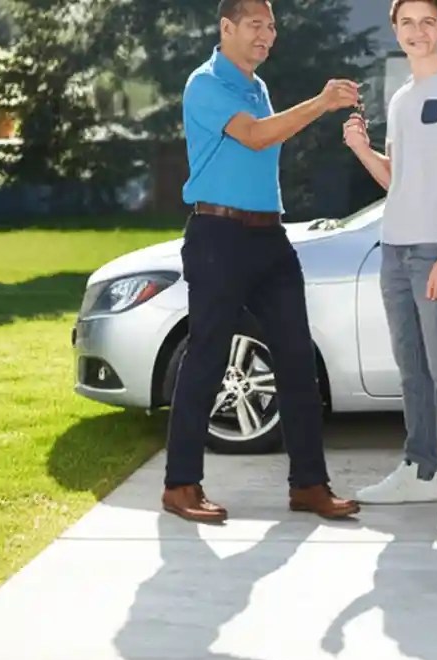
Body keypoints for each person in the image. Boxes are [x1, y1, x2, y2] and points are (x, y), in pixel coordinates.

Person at [162, 0, 362, 523]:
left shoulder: (257, 86)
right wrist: (321, 103)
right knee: (207, 357)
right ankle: (181, 485)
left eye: (271, 26)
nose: (266, 35)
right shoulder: (205, 84)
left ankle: (309, 485)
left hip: (269, 237)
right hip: (218, 236)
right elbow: (254, 137)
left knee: (297, 358)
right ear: (226, 27)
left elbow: (263, 133)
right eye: (256, 25)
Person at [343, 0, 437, 532]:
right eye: (407, 22)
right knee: (411, 369)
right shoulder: (402, 96)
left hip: (436, 249)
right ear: (396, 30)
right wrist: (362, 150)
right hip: (394, 248)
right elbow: (398, 180)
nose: (417, 31)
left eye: (427, 21)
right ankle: (420, 470)